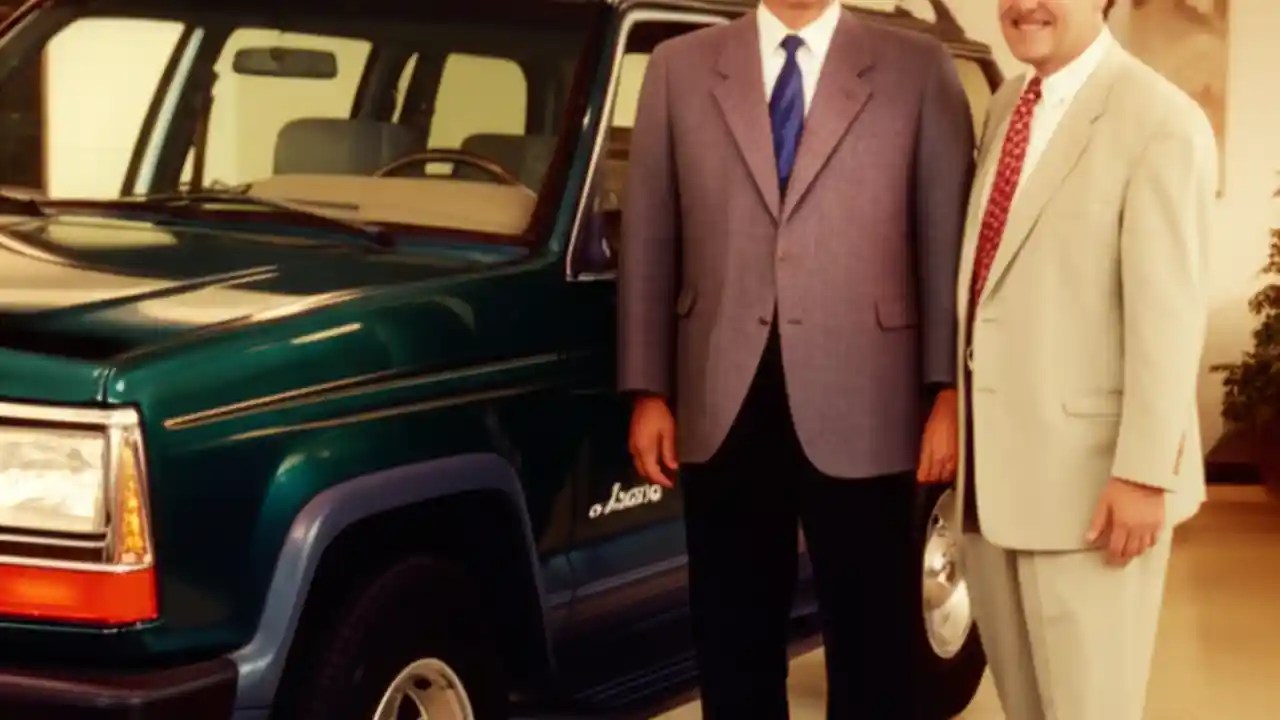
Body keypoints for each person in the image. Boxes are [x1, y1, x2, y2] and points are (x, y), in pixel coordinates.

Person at [617, 0, 974, 716]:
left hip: (871, 400)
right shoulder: (677, 70)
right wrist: (648, 388)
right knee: (731, 636)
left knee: (874, 642)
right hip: (720, 394)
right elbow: (650, 234)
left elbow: (946, 246)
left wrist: (948, 393)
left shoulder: (919, 70)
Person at [956, 1, 1216, 719]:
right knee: (1028, 708)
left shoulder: (1159, 120)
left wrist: (1141, 472)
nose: (1024, 5)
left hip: (1095, 489)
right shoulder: (1008, 102)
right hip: (998, 481)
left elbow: (1170, 316)